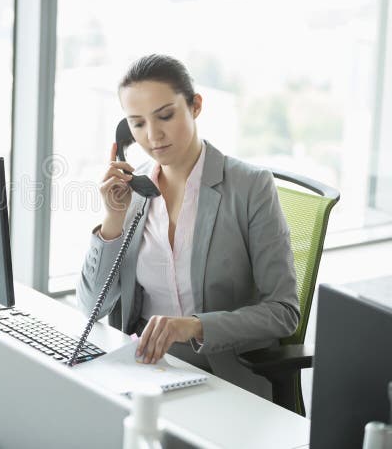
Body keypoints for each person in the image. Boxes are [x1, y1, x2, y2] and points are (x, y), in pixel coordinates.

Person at [76, 54, 300, 398]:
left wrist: (195, 327)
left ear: (195, 106)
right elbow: (92, 306)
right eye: (137, 124)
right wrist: (113, 219)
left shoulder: (250, 187)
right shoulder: (134, 191)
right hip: (143, 373)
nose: (153, 136)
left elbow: (283, 313)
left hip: (222, 378)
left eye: (165, 115)